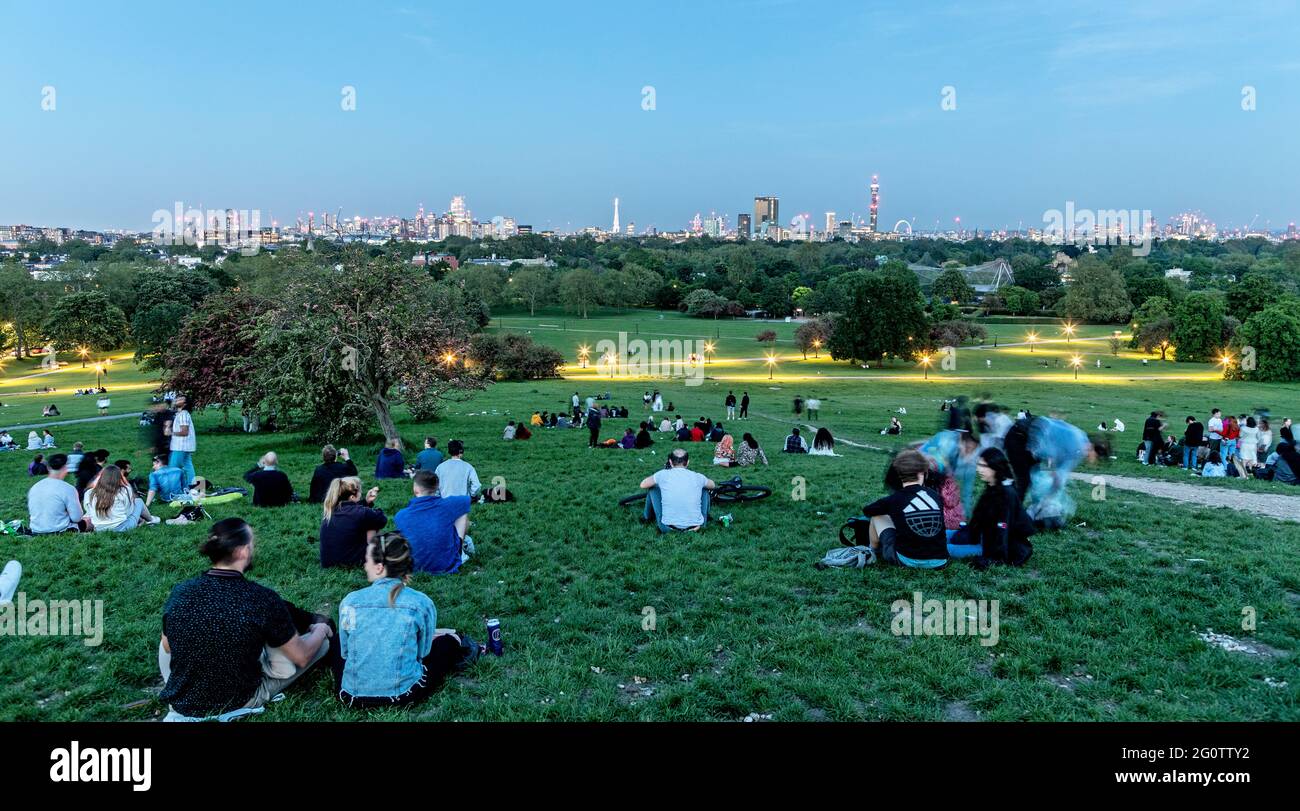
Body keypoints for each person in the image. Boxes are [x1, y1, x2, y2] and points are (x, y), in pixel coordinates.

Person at [159, 518, 335, 720]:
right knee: (322, 645)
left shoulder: (181, 591)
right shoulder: (261, 598)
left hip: (182, 700)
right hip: (238, 699)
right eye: (252, 544)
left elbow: (167, 645)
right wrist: (320, 630)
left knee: (168, 636)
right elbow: (301, 656)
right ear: (242, 551)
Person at [333, 532, 479, 708]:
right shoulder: (421, 603)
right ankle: (453, 638)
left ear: (379, 567)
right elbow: (423, 653)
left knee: (336, 641)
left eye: (367, 560)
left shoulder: (350, 601)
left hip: (351, 696)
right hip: (403, 695)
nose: (364, 565)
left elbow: (345, 652)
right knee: (448, 643)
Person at [860, 450, 949, 569]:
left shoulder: (894, 499)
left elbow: (867, 511)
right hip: (940, 560)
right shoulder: (935, 496)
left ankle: (872, 551)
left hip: (907, 560)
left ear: (899, 474)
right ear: (923, 472)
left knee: (877, 517)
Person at [959, 447, 1035, 567]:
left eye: (984, 466)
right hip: (983, 537)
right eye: (978, 465)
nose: (979, 469)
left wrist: (994, 559)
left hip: (990, 547)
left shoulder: (1006, 494)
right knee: (945, 534)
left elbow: (1003, 529)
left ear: (995, 467)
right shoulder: (994, 486)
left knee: (942, 547)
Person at [395, 470, 473, 574]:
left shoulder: (400, 515)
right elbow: (466, 500)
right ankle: (459, 550)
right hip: (445, 565)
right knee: (462, 513)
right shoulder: (448, 504)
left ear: (415, 489)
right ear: (437, 487)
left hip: (412, 567)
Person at [639, 448, 716, 533]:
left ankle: (646, 518)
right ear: (687, 462)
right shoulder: (698, 477)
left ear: (670, 462)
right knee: (705, 489)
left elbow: (643, 485)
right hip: (696, 527)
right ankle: (706, 516)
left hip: (667, 528)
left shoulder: (662, 474)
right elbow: (712, 485)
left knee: (652, 488)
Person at [319, 477, 386, 568]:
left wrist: (366, 502)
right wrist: (372, 509)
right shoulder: (362, 512)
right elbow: (382, 520)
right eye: (359, 492)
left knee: (366, 522)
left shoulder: (330, 510)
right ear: (352, 497)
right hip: (352, 563)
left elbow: (353, 511)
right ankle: (375, 558)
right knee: (373, 525)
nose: (361, 494)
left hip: (328, 563)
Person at [82, 464, 158, 531]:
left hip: (99, 528)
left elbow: (89, 511)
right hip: (122, 527)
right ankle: (151, 520)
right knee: (138, 501)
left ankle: (143, 521)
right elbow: (128, 511)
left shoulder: (89, 493)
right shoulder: (124, 490)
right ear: (119, 477)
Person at [28, 453, 89, 534]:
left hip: (36, 529)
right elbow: (77, 518)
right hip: (60, 530)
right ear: (65, 467)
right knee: (89, 520)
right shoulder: (68, 488)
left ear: (48, 467)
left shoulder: (35, 487)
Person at [167, 394, 197, 488]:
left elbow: (184, 432)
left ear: (184, 404)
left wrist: (171, 432)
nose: (177, 400)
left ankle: (174, 489)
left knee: (173, 468)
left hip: (181, 446)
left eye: (180, 399)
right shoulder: (181, 414)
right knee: (188, 465)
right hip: (184, 446)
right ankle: (191, 486)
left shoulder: (183, 414)